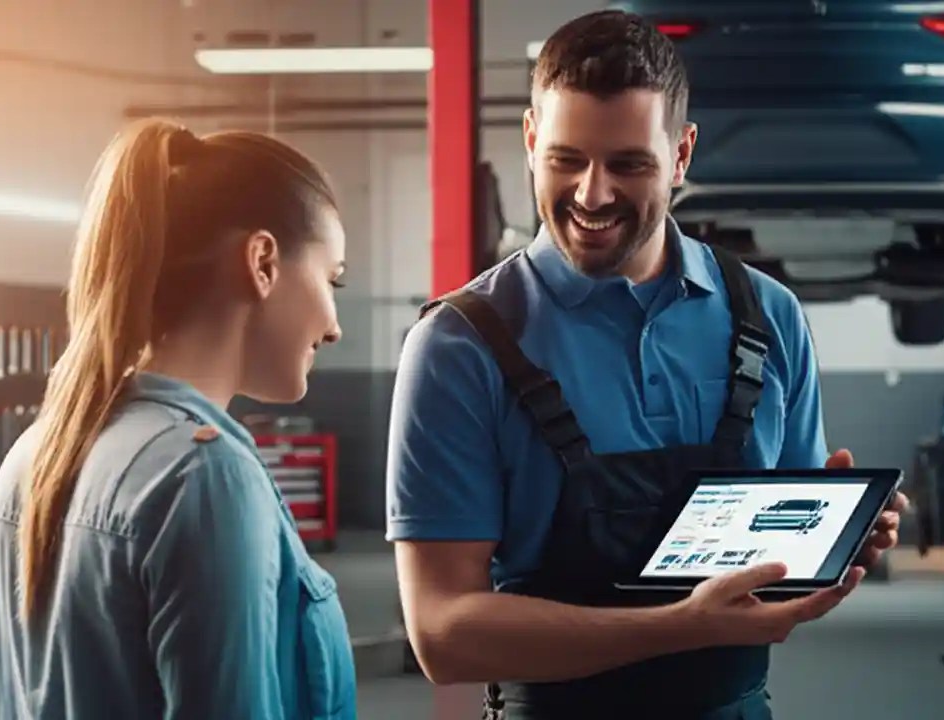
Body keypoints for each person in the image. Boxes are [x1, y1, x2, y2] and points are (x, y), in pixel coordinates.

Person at [386, 10, 910, 720]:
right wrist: (680, 627)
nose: (592, 195)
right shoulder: (458, 346)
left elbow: (777, 577)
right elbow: (443, 635)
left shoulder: (769, 316)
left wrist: (836, 546)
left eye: (629, 164)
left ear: (683, 154)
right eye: (567, 158)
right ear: (532, 138)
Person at [0, 118, 357, 719]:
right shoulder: (203, 476)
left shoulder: (34, 452)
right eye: (331, 278)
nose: (335, 325)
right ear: (262, 262)